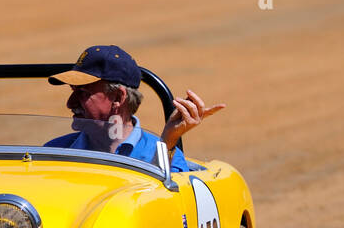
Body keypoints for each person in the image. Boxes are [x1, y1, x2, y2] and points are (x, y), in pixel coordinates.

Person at [43, 45, 224, 173]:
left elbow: (165, 209)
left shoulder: (164, 151)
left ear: (118, 97)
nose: (70, 103)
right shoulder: (54, 151)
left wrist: (169, 141)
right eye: (72, 91)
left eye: (83, 93)